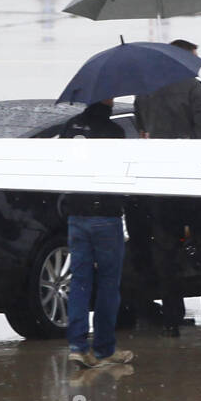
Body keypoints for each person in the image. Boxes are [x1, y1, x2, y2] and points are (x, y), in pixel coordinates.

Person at [133, 39, 201, 337]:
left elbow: (141, 131)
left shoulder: (145, 91)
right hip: (195, 184)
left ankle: (172, 318)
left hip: (163, 184)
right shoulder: (193, 88)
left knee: (166, 253)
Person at [59, 99, 134, 368]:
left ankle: (78, 346)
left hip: (76, 214)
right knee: (107, 284)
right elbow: (121, 169)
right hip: (105, 214)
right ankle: (103, 347)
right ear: (108, 99)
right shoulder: (113, 132)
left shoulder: (71, 126)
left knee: (79, 281)